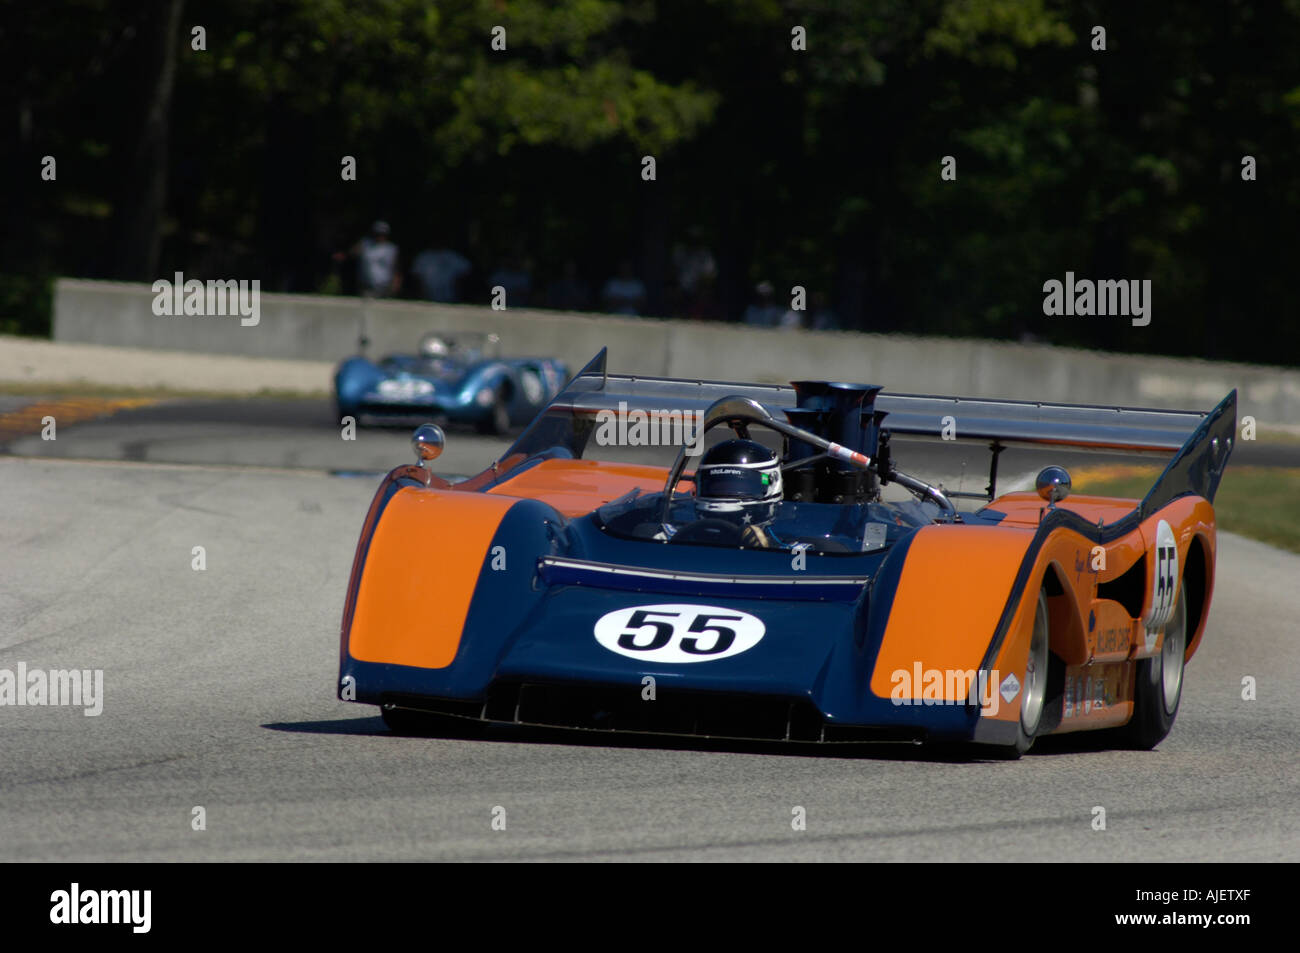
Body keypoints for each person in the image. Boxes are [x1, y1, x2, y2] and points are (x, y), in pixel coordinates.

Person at [337, 221, 401, 298]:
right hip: (366, 285)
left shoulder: (391, 249)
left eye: (383, 234)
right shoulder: (365, 243)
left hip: (384, 285)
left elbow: (396, 267)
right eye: (378, 234)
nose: (380, 236)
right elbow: (351, 253)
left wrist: (396, 283)